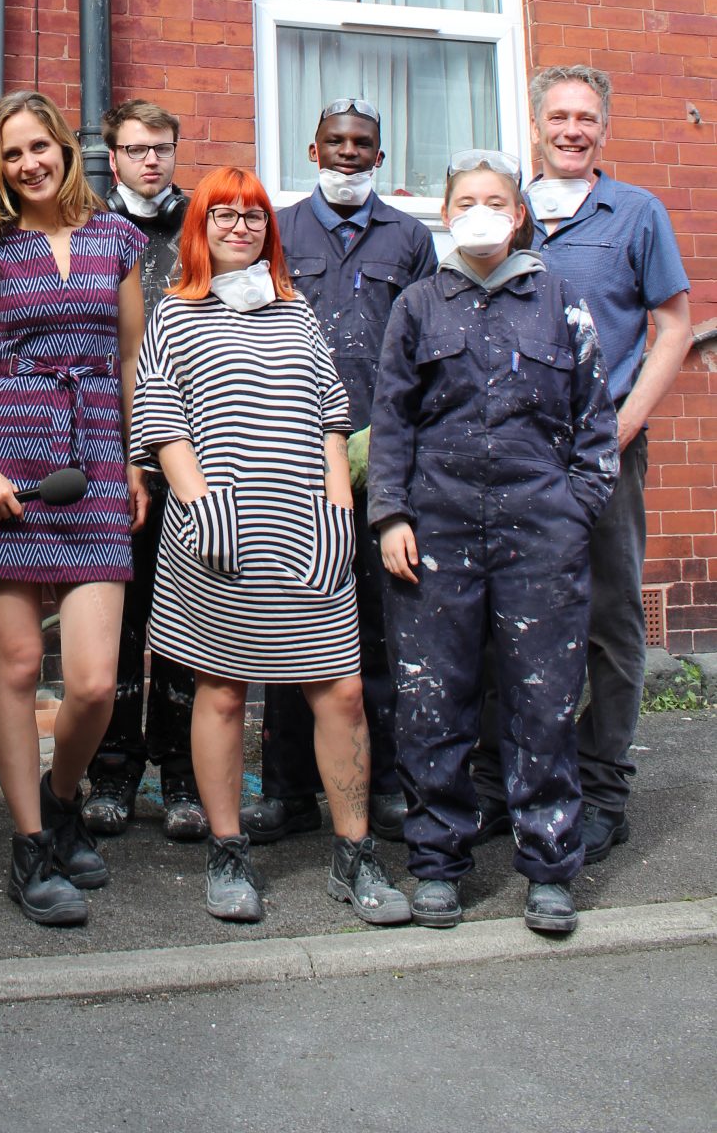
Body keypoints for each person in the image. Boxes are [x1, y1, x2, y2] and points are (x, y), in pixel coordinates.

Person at [131, 167, 411, 930]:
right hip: (216, 530)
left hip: (303, 526)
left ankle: (354, 855)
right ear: (199, 229)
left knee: (342, 691)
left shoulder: (295, 314)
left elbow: (328, 410)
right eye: (220, 215)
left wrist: (338, 504)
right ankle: (227, 853)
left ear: (267, 229)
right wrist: (195, 500)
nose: (237, 227)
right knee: (222, 693)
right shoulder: (175, 314)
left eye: (251, 215)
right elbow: (158, 413)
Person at [369, 150, 618, 937]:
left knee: (541, 702)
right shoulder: (416, 306)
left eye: (495, 200)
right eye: (464, 199)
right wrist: (391, 517)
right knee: (431, 697)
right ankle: (438, 862)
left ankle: (549, 869)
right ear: (445, 214)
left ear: (518, 216)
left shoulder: (560, 300)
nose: (479, 211)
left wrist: (572, 511)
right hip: (434, 530)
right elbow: (392, 423)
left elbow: (596, 425)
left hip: (538, 531)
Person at [474, 68, 691, 864]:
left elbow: (672, 326)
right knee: (504, 612)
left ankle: (602, 790)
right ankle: (499, 780)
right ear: (535, 127)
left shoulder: (634, 213)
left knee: (607, 617)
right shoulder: (507, 209)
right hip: (511, 453)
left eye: (586, 118)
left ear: (604, 129)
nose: (571, 129)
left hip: (605, 455)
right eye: (558, 116)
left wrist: (621, 426)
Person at [0, 90, 148, 927]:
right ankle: (29, 845)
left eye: (41, 147)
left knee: (96, 683)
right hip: (11, 463)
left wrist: (136, 461)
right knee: (20, 671)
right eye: (12, 154)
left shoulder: (119, 240)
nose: (29, 164)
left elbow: (136, 358)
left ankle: (63, 799)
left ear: (65, 148)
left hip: (96, 454)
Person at [254, 98, 436, 847]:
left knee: (380, 630)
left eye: (363, 144)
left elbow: (427, 346)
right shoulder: (277, 230)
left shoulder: (412, 237)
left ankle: (384, 784)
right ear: (311, 148)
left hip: (384, 460)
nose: (349, 153)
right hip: (293, 461)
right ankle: (289, 791)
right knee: (294, 626)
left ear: (381, 157)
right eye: (336, 141)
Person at [85, 99, 203, 843]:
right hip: (114, 454)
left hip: (197, 450)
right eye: (135, 149)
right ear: (113, 155)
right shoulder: (93, 228)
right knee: (120, 625)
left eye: (161, 147)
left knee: (190, 621)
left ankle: (183, 773)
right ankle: (112, 769)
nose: (150, 161)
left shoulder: (206, 228)